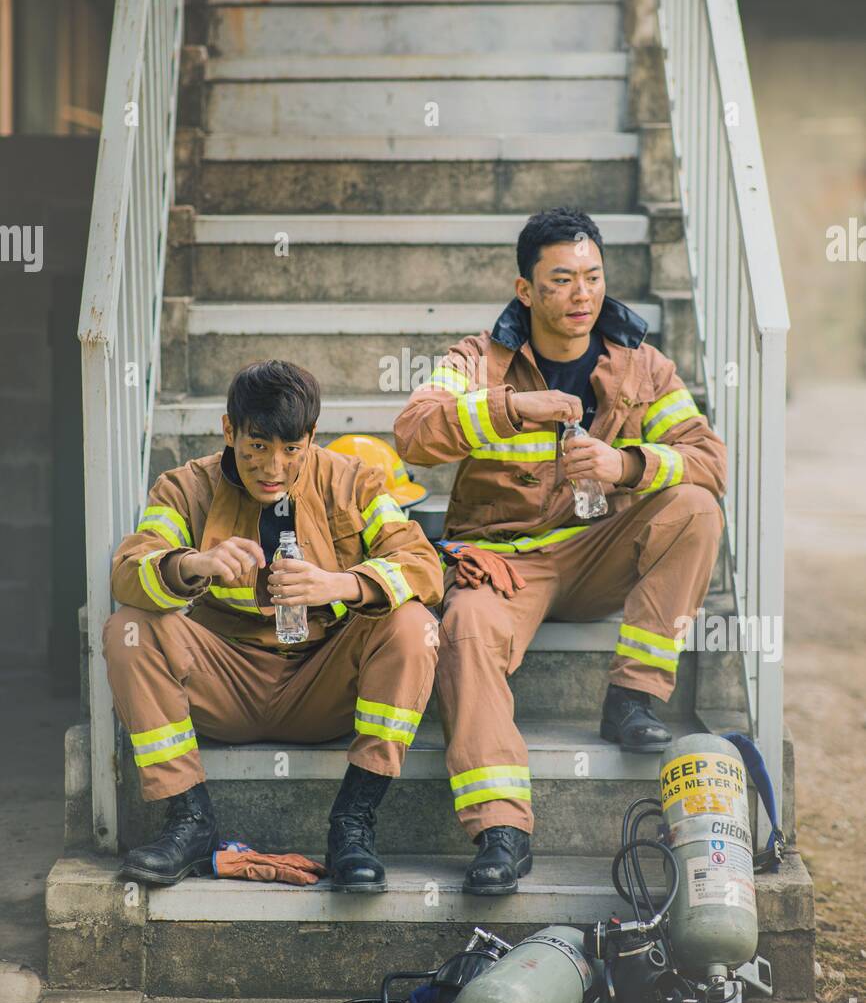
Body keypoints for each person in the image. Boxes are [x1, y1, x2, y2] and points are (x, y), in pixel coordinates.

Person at [393, 207, 727, 895]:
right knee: (465, 627)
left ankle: (634, 696)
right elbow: (414, 433)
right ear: (526, 290)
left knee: (695, 507)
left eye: (594, 277)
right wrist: (514, 408)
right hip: (505, 560)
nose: (583, 296)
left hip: (599, 547)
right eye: (563, 280)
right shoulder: (478, 358)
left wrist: (625, 467)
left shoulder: (641, 364)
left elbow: (708, 462)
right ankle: (502, 832)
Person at [103, 359, 443, 892]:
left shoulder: (354, 480)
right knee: (129, 629)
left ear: (312, 437)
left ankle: (352, 823)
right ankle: (188, 820)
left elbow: (423, 565)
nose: (273, 466)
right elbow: (127, 572)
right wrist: (192, 564)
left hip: (322, 685)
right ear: (228, 431)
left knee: (413, 623)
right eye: (256, 446)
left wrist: (343, 585)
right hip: (224, 683)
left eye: (291, 449)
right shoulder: (184, 488)